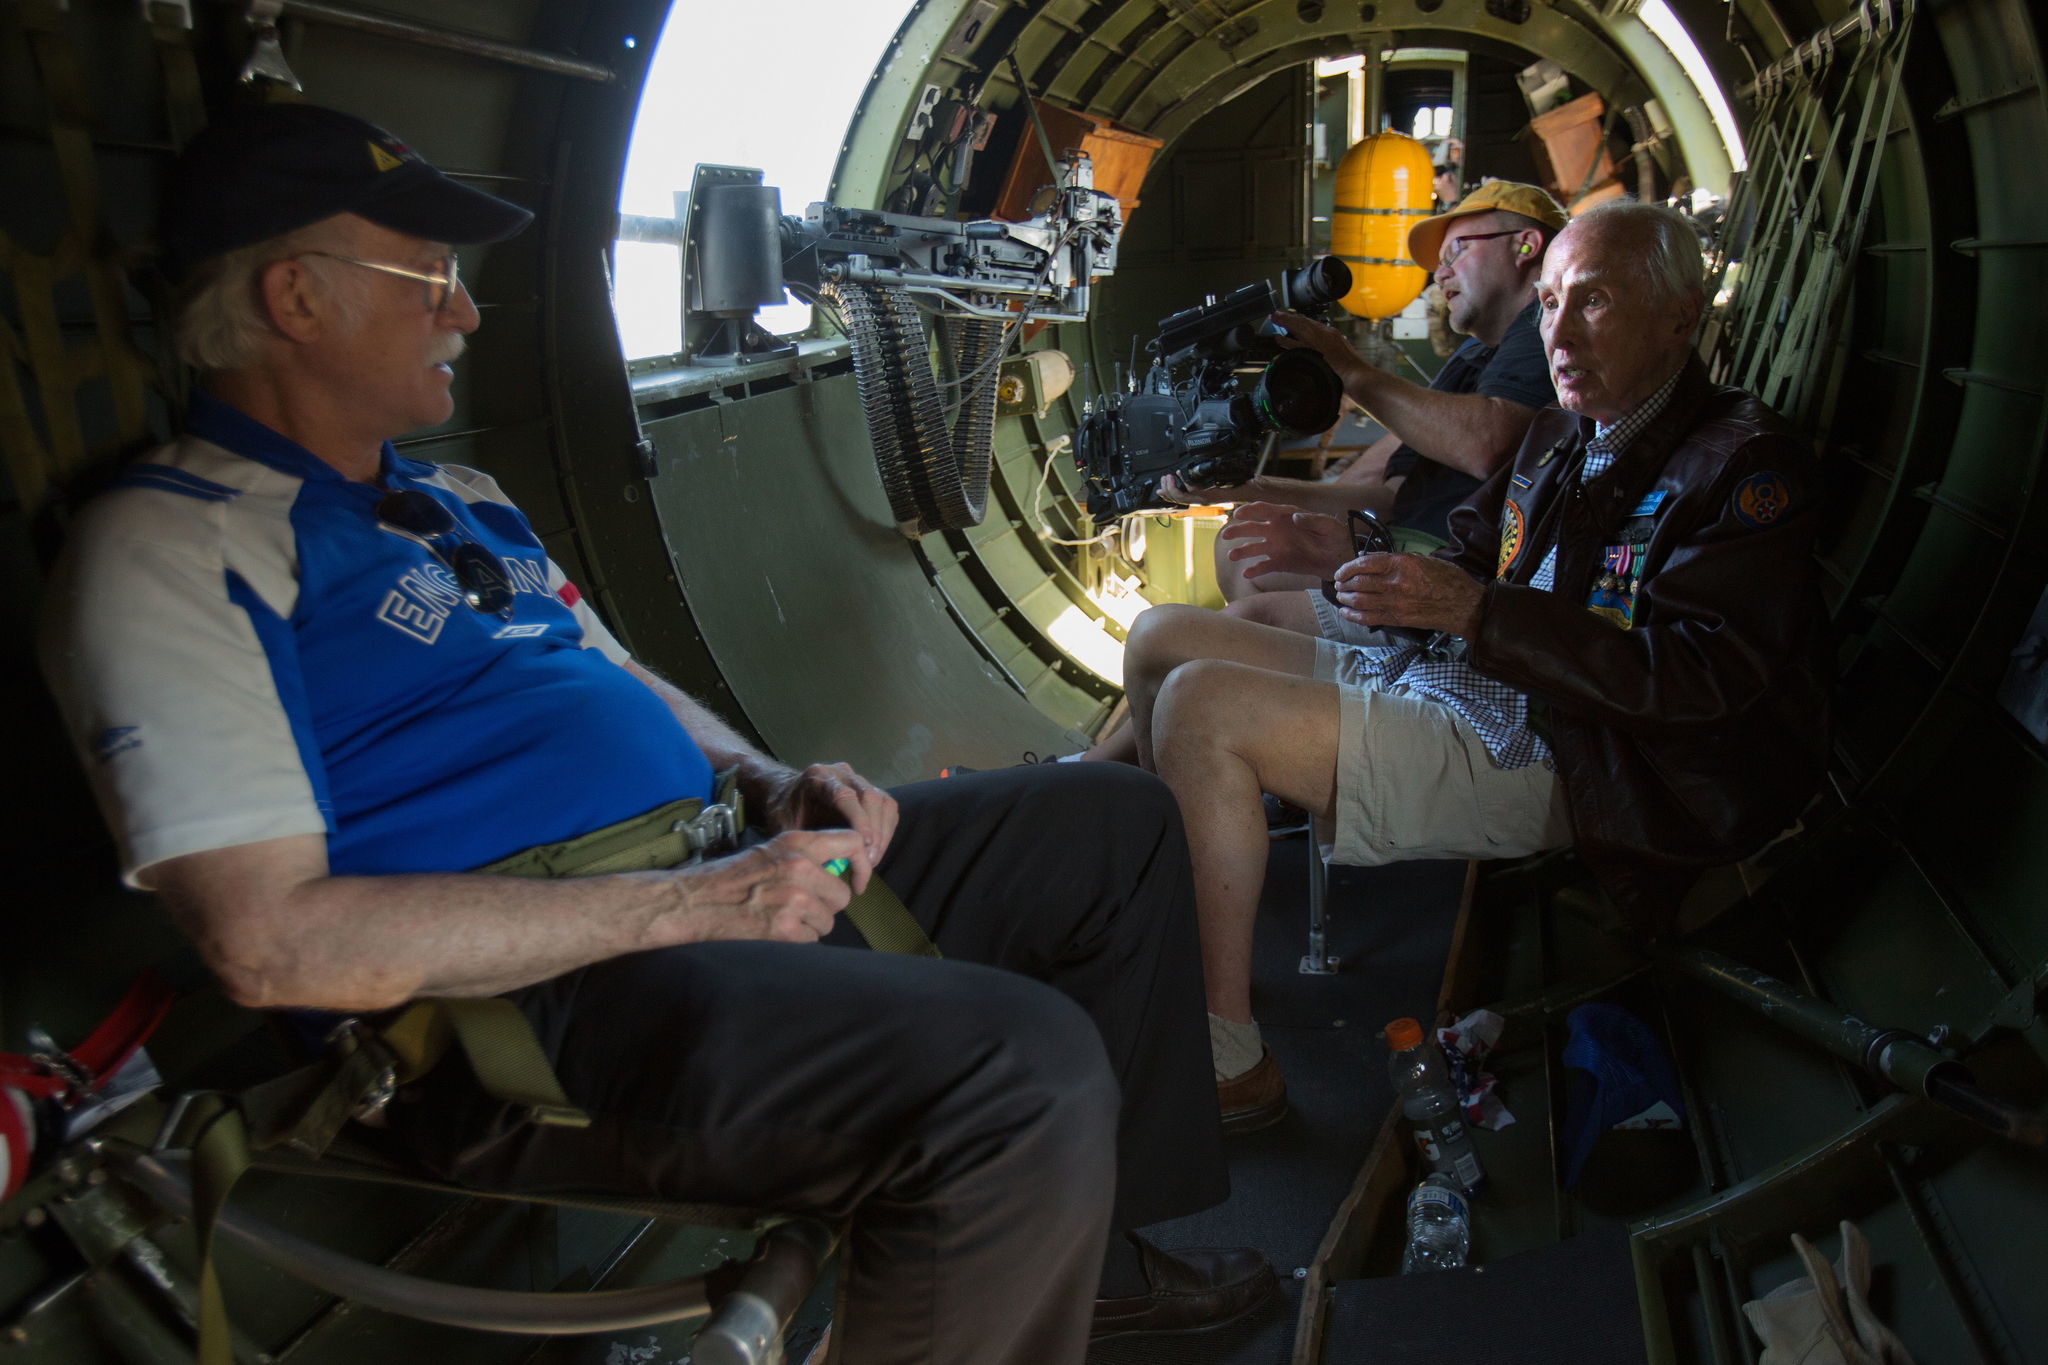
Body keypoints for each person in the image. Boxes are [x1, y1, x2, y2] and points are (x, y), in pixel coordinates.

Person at [37, 104, 1272, 1365]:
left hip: (704, 882)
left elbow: (618, 676)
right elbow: (271, 944)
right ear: (295, 299)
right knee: (1017, 1074)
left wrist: (769, 781)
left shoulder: (453, 498)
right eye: (430, 279)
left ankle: (1094, 1260)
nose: (463, 313)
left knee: (1108, 827)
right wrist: (700, 908)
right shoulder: (173, 547)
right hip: (528, 1001)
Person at [1121, 200, 1829, 1132]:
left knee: (1202, 707)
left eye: (1597, 303)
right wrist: (1345, 559)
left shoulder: (1740, 470)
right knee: (1161, 636)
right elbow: (1468, 561)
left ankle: (1229, 1060)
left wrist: (1478, 613)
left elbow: (1696, 684)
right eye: (1551, 305)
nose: (1561, 333)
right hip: (1474, 677)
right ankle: (1173, 914)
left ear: (1681, 317)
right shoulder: (1562, 438)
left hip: (1591, 760)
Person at [1075, 181, 1565, 767]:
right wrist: (1238, 487)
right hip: (1411, 539)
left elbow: (1484, 444)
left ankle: (1104, 771)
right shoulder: (1471, 359)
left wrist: (1349, 369)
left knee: (1220, 633)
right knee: (1241, 546)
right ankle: (1262, 746)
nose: (1442, 273)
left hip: (1453, 567)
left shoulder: (1542, 327)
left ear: (1526, 245)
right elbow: (1385, 494)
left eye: (1457, 250)